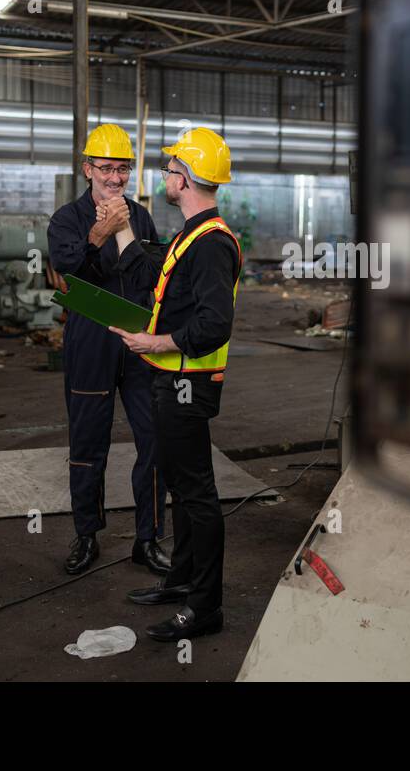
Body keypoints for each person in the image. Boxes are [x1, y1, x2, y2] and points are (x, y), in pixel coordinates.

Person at [106, 127, 240, 642]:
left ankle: (206, 608)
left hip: (188, 383)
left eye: (167, 170)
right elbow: (153, 271)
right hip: (172, 380)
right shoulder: (190, 235)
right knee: (184, 491)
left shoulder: (210, 244)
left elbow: (213, 325)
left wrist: (153, 343)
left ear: (182, 178)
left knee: (198, 496)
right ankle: (182, 579)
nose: (163, 176)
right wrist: (120, 228)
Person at [46, 123, 171, 577]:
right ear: (87, 169)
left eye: (122, 169)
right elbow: (69, 274)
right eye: (106, 168)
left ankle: (149, 538)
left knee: (154, 440)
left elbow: (150, 279)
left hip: (139, 343)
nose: (115, 177)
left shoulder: (142, 216)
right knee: (87, 443)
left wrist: (125, 231)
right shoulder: (65, 220)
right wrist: (101, 233)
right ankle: (86, 535)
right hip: (90, 341)